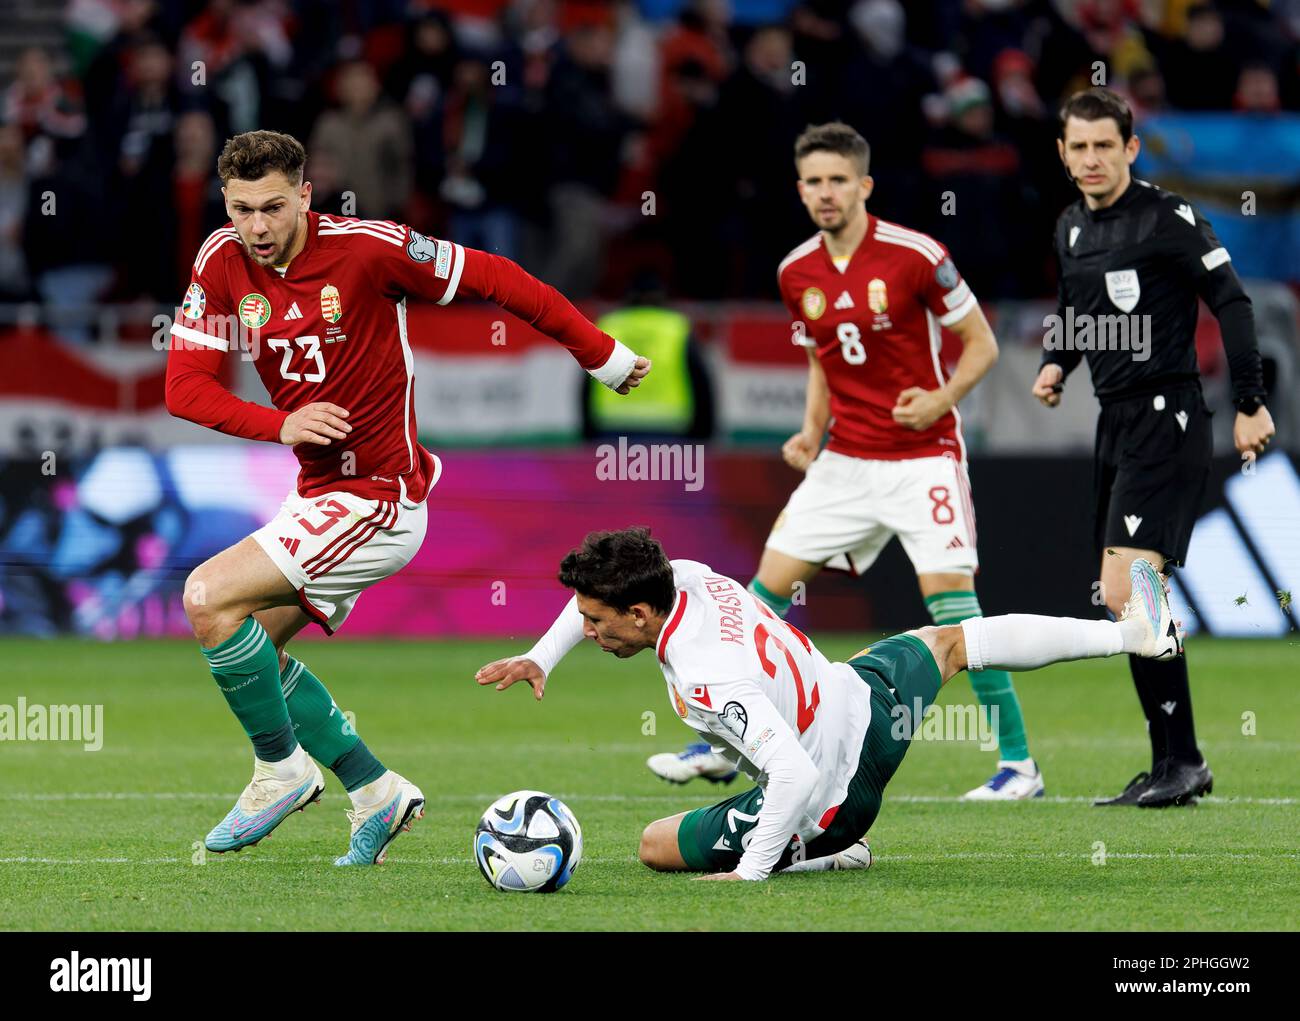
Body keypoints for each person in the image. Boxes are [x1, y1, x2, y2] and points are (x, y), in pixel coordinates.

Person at [165, 130, 650, 865]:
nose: (256, 227)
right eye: (240, 209)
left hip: (380, 497)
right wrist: (281, 424)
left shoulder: (368, 248)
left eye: (271, 207)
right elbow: (184, 387)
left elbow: (498, 278)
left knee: (206, 594)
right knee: (246, 640)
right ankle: (375, 790)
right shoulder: (221, 260)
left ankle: (280, 769)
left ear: (304, 194)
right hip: (319, 494)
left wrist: (603, 354)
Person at [649, 121, 1043, 801]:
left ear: (864, 185)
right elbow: (821, 358)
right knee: (753, 601)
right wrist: (810, 430)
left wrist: (941, 398)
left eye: (838, 180)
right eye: (814, 182)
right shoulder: (794, 270)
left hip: (924, 457)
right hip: (844, 459)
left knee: (957, 611)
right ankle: (721, 741)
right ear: (800, 190)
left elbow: (981, 343)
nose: (826, 193)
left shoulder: (917, 255)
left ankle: (1018, 766)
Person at [476, 527, 1181, 881]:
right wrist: (542, 654)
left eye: (598, 623)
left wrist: (748, 876)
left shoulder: (702, 674)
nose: (589, 630)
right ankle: (1131, 631)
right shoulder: (682, 576)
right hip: (858, 699)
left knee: (653, 845)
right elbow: (591, 604)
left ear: (637, 612)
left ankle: (825, 852)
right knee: (953, 642)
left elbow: (795, 778)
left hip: (830, 794)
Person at [1032, 87, 1274, 807]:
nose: (1092, 158)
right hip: (1115, 424)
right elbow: (1073, 310)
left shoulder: (1167, 217)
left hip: (1169, 418)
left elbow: (1231, 299)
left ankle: (1185, 758)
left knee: (1132, 589)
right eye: (1079, 147)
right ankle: (1174, 760)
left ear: (1130, 149)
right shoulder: (1071, 227)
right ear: (1062, 153)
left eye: (1105, 145)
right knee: (1129, 596)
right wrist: (1057, 361)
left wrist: (1250, 402)